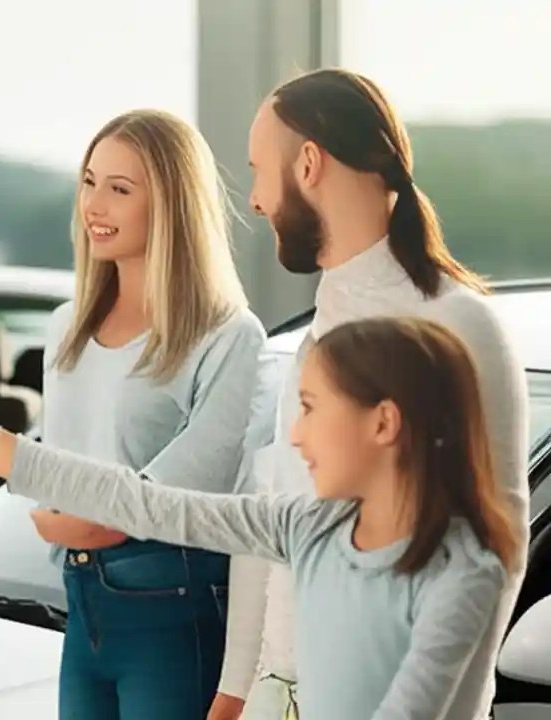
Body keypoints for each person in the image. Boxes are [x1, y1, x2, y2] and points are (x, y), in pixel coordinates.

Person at [0, 314, 520, 719]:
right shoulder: (306, 527)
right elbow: (146, 503)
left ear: (383, 421)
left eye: (312, 408)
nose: (294, 437)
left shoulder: (466, 571)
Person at [209, 67, 530, 719]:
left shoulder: (459, 325)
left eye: (258, 172)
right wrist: (237, 693)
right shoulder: (313, 340)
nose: (255, 201)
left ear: (307, 164)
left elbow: (499, 553)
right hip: (281, 697)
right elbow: (273, 519)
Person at [31, 108, 275, 720]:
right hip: (80, 602)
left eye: (119, 189)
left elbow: (195, 489)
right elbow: (50, 475)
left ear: (170, 203)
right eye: (89, 182)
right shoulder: (66, 329)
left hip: (172, 604)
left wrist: (84, 517)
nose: (95, 205)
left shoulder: (227, 336)